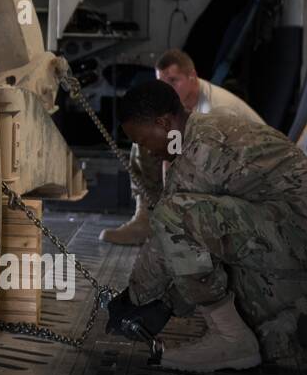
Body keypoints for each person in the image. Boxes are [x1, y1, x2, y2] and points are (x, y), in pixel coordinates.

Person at [110, 80, 307, 371]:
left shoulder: (200, 152)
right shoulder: (203, 129)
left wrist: (133, 299)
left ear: (164, 123)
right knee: (253, 336)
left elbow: (167, 237)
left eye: (143, 141)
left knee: (174, 217)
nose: (148, 152)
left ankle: (226, 337)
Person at [102, 48, 265, 246]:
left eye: (173, 81)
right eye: (162, 82)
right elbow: (171, 153)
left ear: (193, 77)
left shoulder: (217, 110)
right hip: (226, 172)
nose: (167, 88)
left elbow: (218, 167)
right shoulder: (177, 108)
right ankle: (145, 219)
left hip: (255, 179)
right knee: (147, 140)